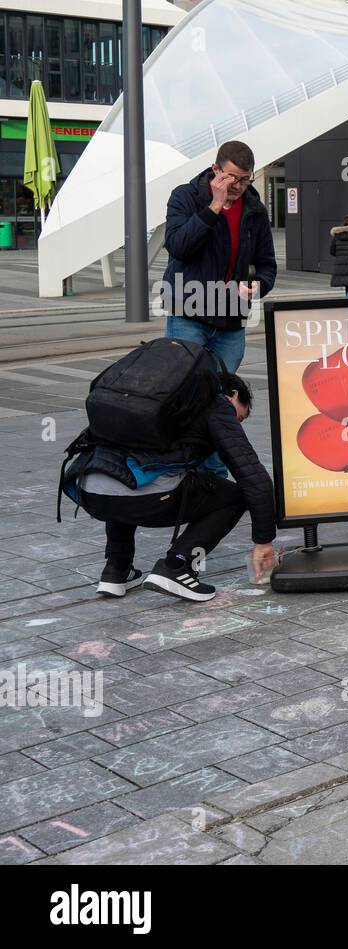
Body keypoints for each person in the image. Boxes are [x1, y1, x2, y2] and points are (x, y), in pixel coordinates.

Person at [62, 373, 277, 602]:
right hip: (142, 500)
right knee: (234, 496)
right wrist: (263, 540)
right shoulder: (217, 404)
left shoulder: (155, 397)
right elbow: (252, 476)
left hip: (88, 489)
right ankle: (176, 567)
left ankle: (117, 569)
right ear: (233, 395)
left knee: (128, 477)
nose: (236, 423)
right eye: (239, 417)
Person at [161, 140, 277, 373]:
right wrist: (214, 205)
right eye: (232, 177)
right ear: (216, 170)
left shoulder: (255, 210)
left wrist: (256, 286)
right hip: (188, 312)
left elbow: (267, 265)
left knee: (223, 392)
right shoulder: (186, 197)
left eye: (245, 179)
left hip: (232, 319)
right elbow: (177, 247)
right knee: (184, 388)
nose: (238, 185)